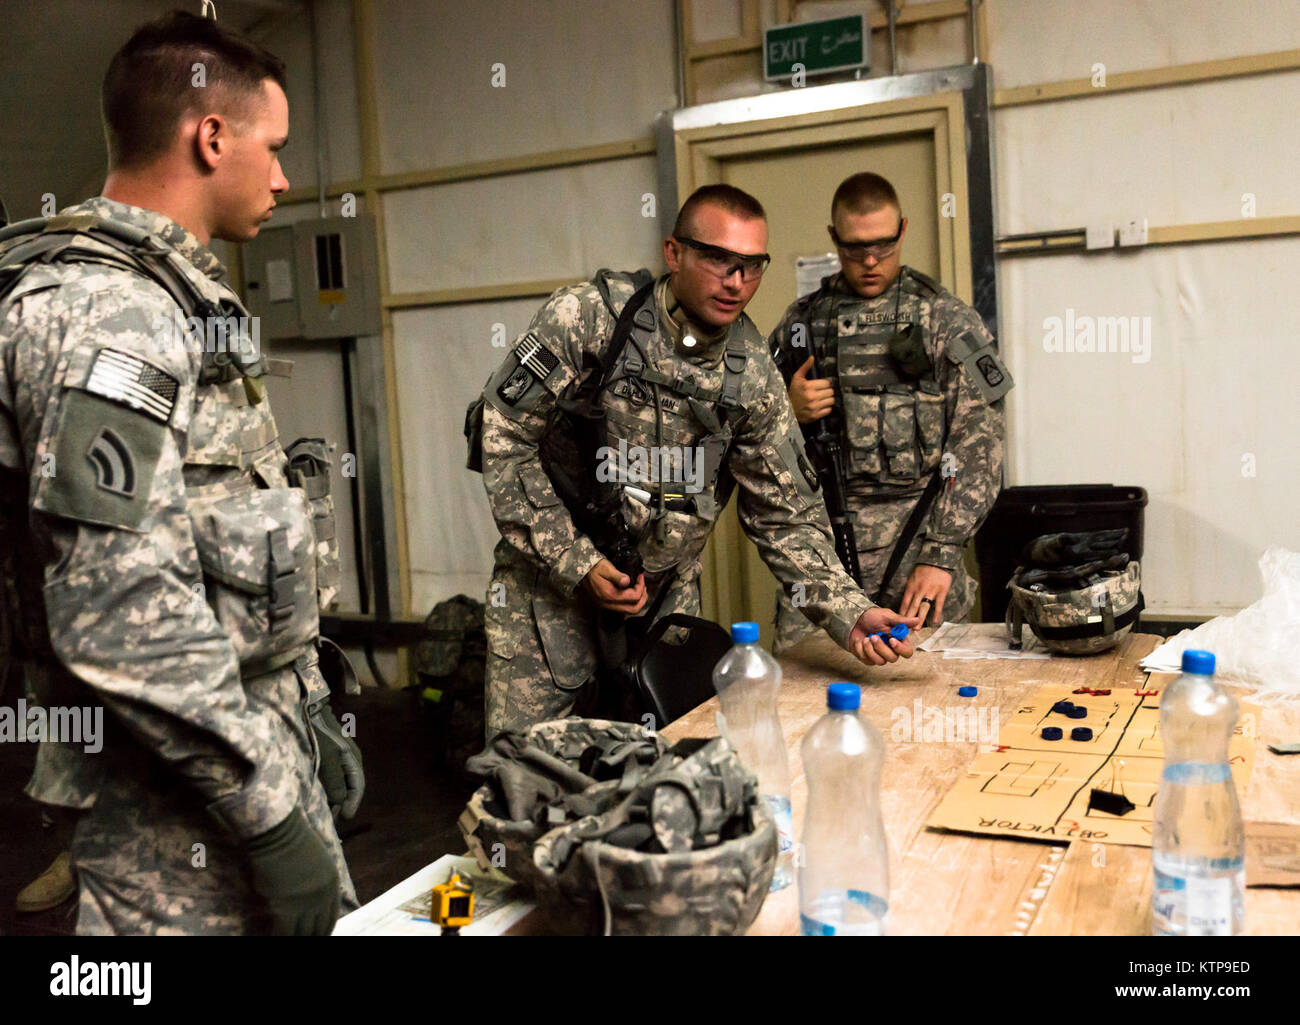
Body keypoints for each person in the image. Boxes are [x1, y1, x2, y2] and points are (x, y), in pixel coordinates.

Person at [0, 11, 361, 935]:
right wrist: (271, 816)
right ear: (211, 136)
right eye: (273, 146)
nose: (282, 175)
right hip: (169, 820)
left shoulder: (172, 295)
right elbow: (118, 607)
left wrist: (303, 716)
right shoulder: (109, 314)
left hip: (235, 756)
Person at [476, 184, 920, 736]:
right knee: (525, 782)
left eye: (751, 266)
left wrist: (850, 611)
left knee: (667, 777)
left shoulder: (753, 373)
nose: (736, 282)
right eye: (718, 259)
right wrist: (576, 562)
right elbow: (501, 437)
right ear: (674, 252)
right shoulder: (587, 319)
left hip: (662, 605)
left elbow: (786, 515)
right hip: (547, 598)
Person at [769, 172, 1012, 653]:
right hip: (824, 559)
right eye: (855, 248)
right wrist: (787, 413)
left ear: (902, 230)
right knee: (808, 696)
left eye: (882, 244)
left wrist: (942, 554)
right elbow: (749, 446)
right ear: (833, 238)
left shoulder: (945, 319)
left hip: (921, 554)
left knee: (936, 698)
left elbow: (979, 447)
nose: (871, 260)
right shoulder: (801, 325)